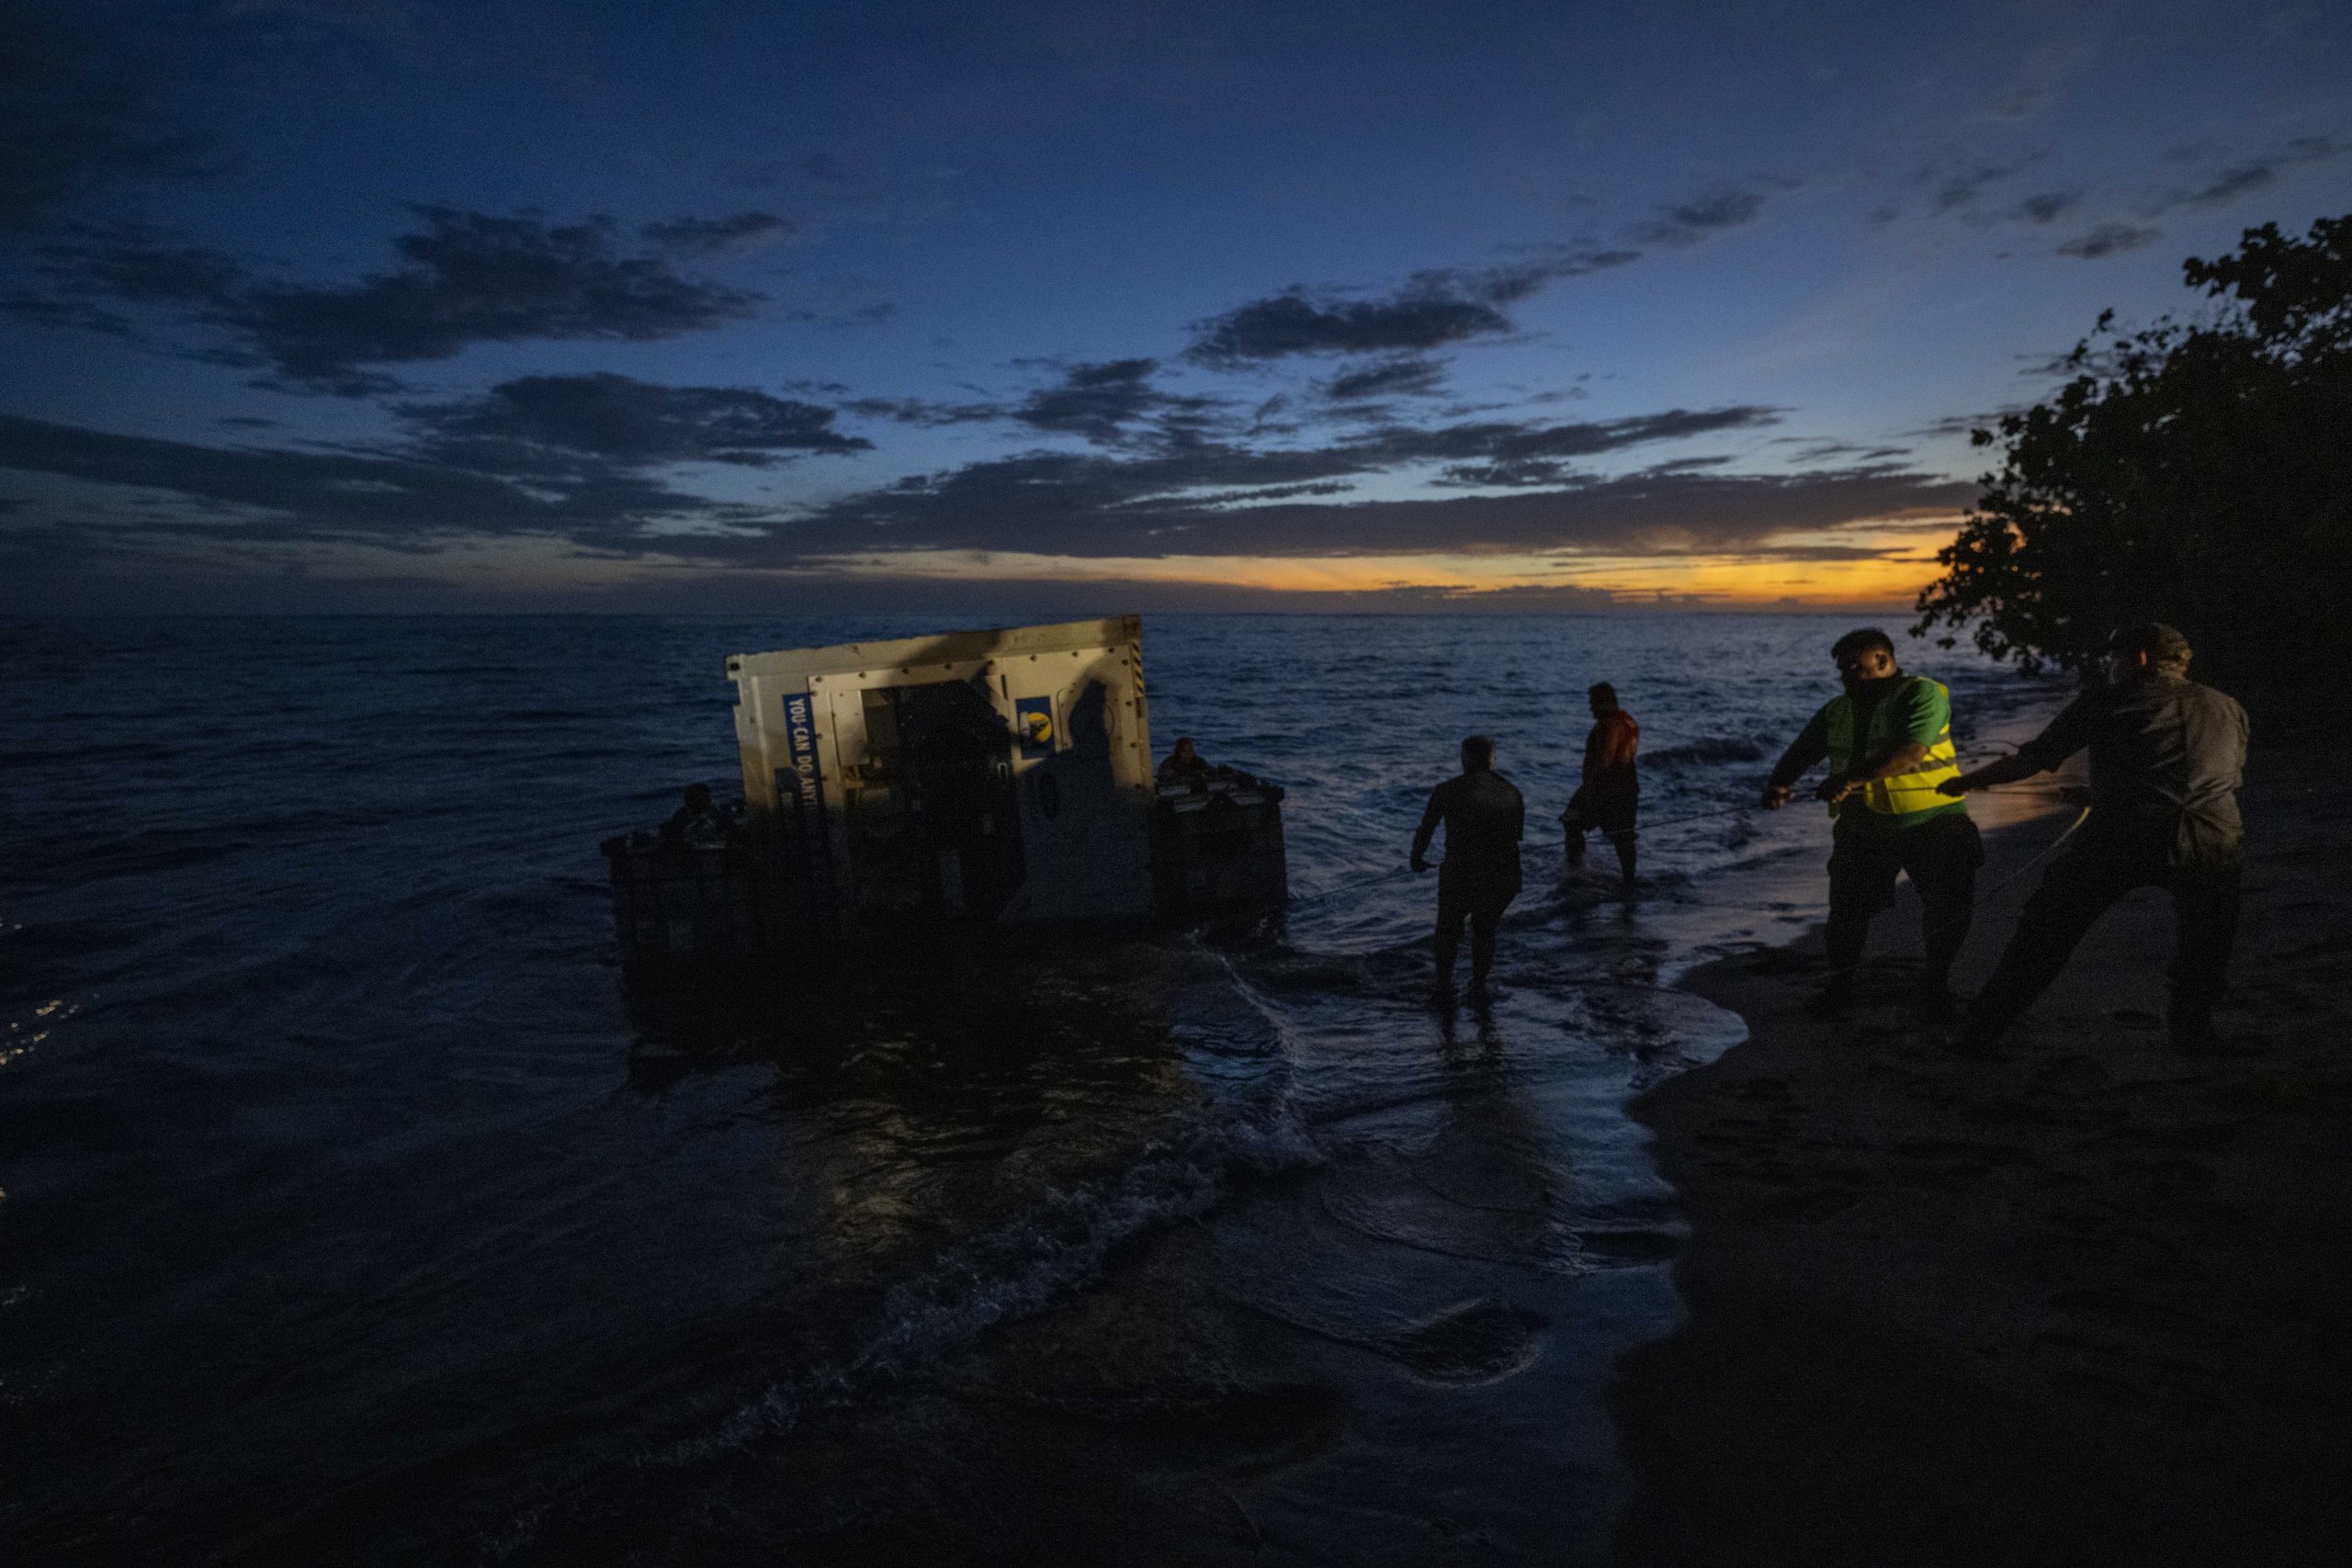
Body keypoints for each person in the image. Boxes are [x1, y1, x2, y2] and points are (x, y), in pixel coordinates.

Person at [1942, 623, 2249, 1055]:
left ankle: (1983, 1029)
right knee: (2204, 942)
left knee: (2047, 929)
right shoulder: (2227, 705)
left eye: (2114, 659)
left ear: (2138, 658)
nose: (2110, 668)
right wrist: (2100, 793)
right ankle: (2193, 1033)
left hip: (2125, 837)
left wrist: (1968, 781)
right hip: (2214, 835)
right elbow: (2210, 775)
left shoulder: (2108, 701)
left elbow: (2035, 759)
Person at [1761, 627, 1981, 1016]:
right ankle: (1841, 987)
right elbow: (1803, 750)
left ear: (1882, 660)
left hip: (1933, 821)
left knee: (1946, 905)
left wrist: (1848, 779)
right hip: (1861, 827)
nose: (1844, 675)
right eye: (1841, 669)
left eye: (1852, 666)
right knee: (1846, 911)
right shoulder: (1837, 709)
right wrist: (1779, 782)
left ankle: (1936, 985)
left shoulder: (1921, 694)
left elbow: (1911, 753)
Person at [1412, 735, 1525, 1002]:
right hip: (1506, 875)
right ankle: (1479, 984)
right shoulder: (1513, 792)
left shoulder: (1447, 789)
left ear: (1466, 760)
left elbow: (1425, 831)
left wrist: (1416, 859)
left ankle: (1442, 986)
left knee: (1448, 930)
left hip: (1462, 871)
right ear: (1492, 760)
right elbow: (1514, 837)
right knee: (1485, 928)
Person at [1561, 682, 1640, 886]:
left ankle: (1576, 873)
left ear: (1603, 703)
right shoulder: (1628, 721)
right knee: (1623, 837)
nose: (1590, 708)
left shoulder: (1610, 726)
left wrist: (1589, 790)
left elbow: (1605, 760)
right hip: (1626, 788)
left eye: (1593, 703)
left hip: (1605, 789)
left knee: (1572, 821)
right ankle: (1628, 880)